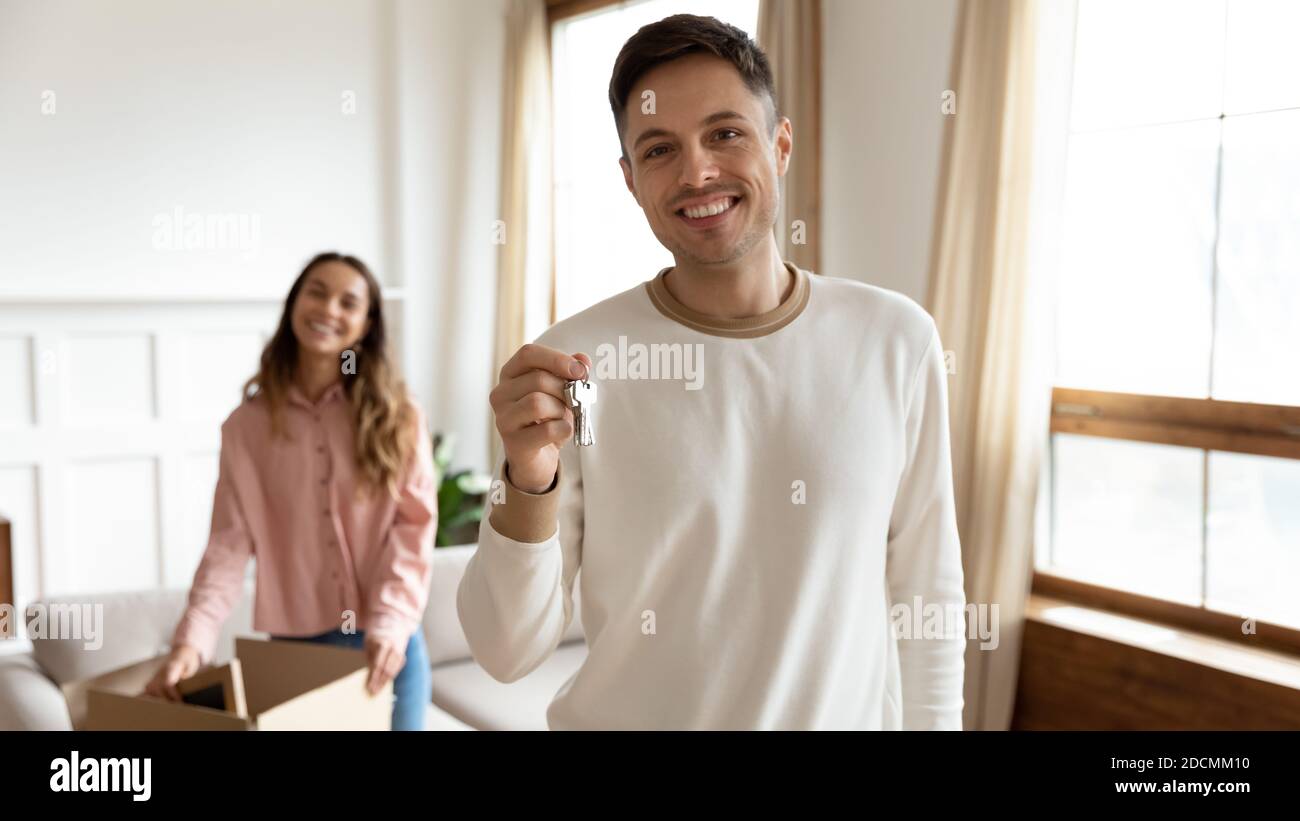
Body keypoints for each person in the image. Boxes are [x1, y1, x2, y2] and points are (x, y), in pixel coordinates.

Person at [459, 14, 966, 729]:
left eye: (725, 133)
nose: (697, 172)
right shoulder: (575, 363)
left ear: (780, 144)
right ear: (631, 181)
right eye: (660, 149)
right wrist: (526, 476)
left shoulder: (896, 340)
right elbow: (505, 649)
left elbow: (929, 596)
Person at [145, 252, 436, 731]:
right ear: (294, 304)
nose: (329, 310)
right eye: (317, 292)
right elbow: (227, 547)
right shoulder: (246, 429)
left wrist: (391, 622)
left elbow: (413, 529)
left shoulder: (399, 417)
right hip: (295, 659)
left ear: (365, 325)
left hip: (389, 647)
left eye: (349, 302)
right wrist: (191, 644)